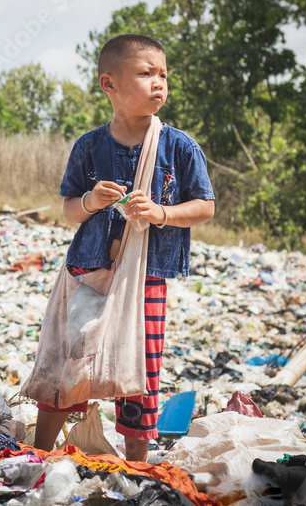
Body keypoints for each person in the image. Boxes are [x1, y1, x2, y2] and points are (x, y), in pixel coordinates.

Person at [32, 33, 215, 462]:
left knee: (140, 369)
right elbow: (69, 210)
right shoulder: (90, 146)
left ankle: (137, 464)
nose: (159, 84)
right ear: (109, 84)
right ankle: (37, 452)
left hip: (146, 276)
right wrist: (91, 201)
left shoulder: (178, 146)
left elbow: (205, 206)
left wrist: (161, 213)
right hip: (90, 270)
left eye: (164, 75)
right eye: (146, 73)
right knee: (71, 359)